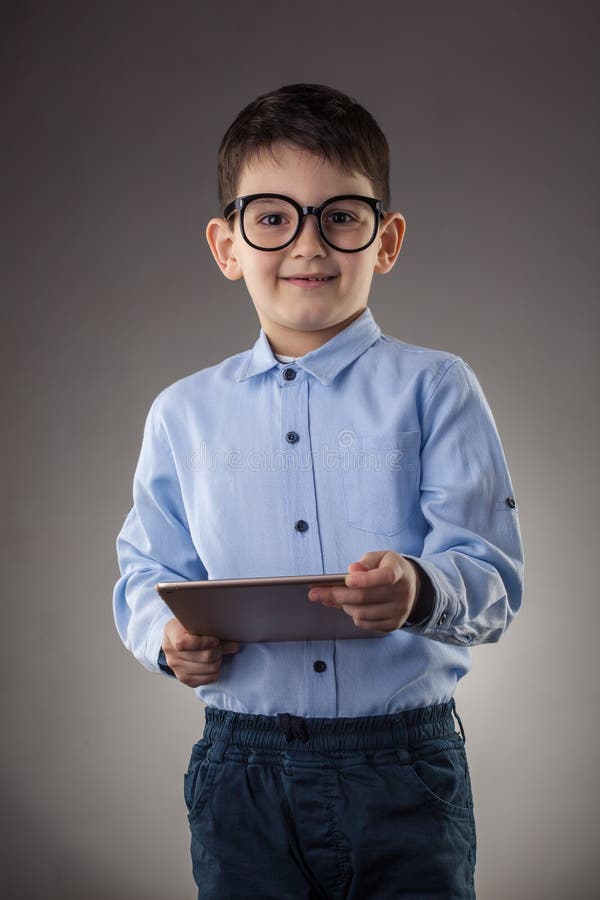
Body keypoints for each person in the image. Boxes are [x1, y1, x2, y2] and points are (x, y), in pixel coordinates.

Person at [113, 83, 523, 899]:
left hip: (406, 766)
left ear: (387, 239)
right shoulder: (183, 413)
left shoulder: (437, 388)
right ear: (226, 245)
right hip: (243, 774)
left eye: (341, 215)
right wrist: (168, 639)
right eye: (272, 217)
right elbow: (143, 572)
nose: (308, 244)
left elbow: (493, 579)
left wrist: (417, 589)